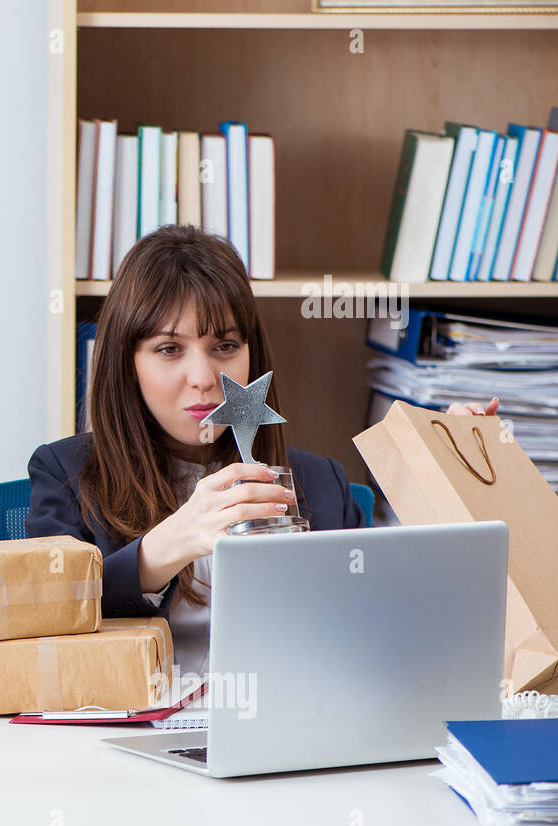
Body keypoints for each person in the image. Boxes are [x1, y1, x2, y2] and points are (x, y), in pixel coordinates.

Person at [26, 224, 496, 676]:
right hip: (127, 727)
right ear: (127, 363)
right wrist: (170, 544)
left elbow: (388, 620)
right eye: (170, 349)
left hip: (291, 723)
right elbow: (42, 618)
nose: (204, 378)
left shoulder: (321, 482)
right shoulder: (65, 472)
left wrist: (444, 484)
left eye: (225, 346)